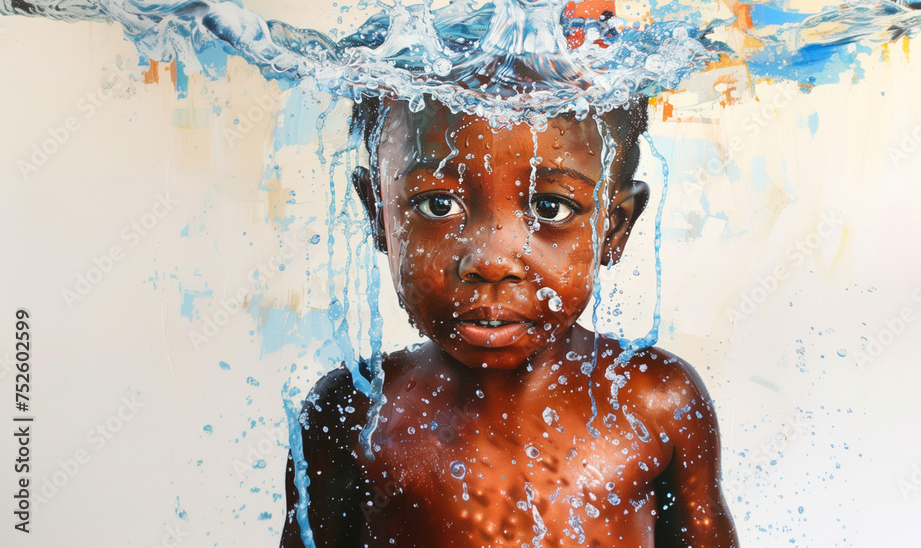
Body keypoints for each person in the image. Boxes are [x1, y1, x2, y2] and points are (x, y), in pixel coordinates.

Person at [280, 93, 738, 548]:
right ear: (379, 213)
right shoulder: (351, 411)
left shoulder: (657, 400)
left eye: (550, 208)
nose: (492, 260)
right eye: (438, 205)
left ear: (614, 227)